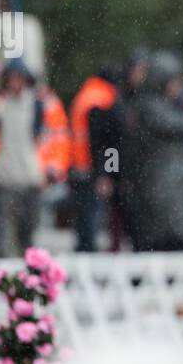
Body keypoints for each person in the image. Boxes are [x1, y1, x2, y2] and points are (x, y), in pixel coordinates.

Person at [121, 51, 183, 253]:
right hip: (160, 193)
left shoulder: (153, 104)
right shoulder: (149, 106)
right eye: (173, 81)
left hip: (166, 191)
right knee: (163, 247)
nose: (177, 87)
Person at [0, 59, 45, 257]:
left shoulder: (36, 105)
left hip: (29, 177)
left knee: (28, 236)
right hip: (3, 177)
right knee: (0, 237)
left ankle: (28, 282)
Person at [69, 66, 118, 251]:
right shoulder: (103, 100)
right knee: (90, 224)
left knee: (83, 223)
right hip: (92, 171)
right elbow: (106, 143)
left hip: (79, 168)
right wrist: (108, 173)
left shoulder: (86, 95)